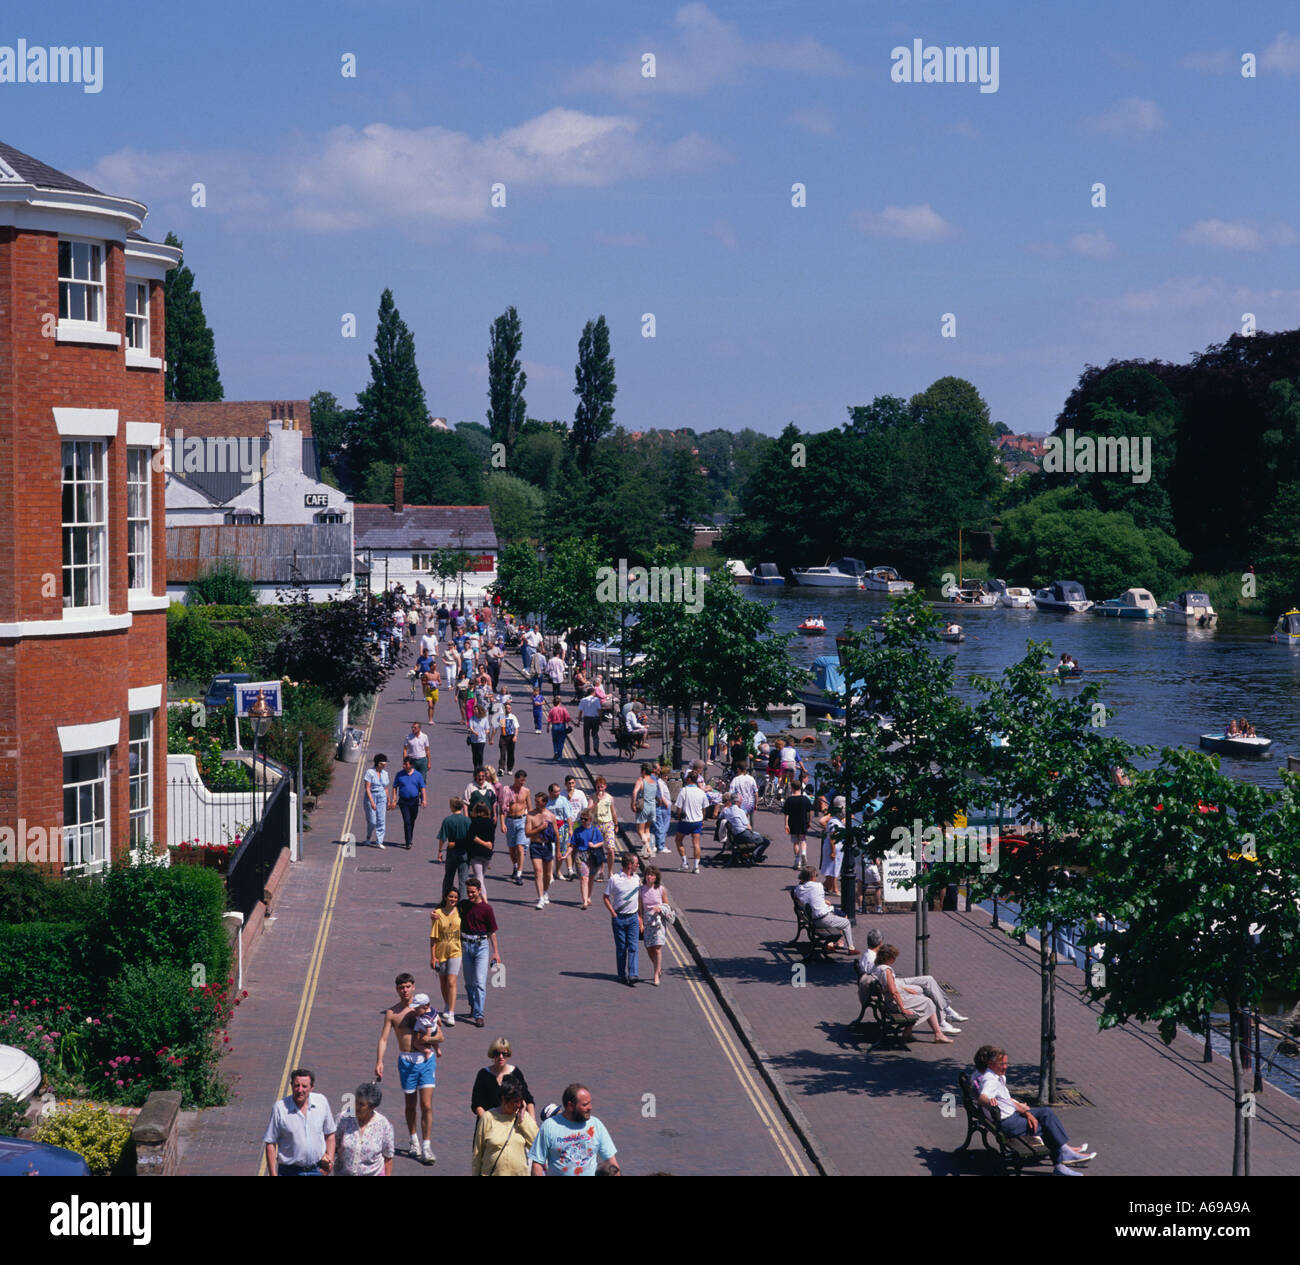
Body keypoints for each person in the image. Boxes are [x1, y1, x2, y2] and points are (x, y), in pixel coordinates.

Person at [972, 1045, 1096, 1175]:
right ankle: (1060, 1164)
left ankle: (1064, 1151)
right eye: (1002, 1064)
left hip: (1011, 1116)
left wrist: (1026, 1112)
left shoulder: (994, 1076)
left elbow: (1005, 1101)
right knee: (1048, 1128)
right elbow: (982, 1098)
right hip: (1008, 1123)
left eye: (1006, 1063)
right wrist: (990, 1104)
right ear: (991, 1064)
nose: (1006, 1066)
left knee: (1046, 1113)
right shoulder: (990, 1079)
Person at [374, 973, 438, 1162]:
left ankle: (427, 1146)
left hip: (426, 1060)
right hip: (406, 1060)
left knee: (426, 1105)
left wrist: (431, 1040)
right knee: (410, 1104)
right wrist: (379, 1061)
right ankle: (413, 1140)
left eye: (408, 986)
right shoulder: (392, 1013)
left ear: (413, 987)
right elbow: (384, 1039)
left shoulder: (424, 1009)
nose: (405, 991)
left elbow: (440, 1035)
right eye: (402, 987)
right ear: (397, 989)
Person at [857, 930, 967, 1032]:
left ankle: (946, 1009)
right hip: (895, 985)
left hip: (895, 982)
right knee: (922, 990)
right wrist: (905, 988)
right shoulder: (872, 959)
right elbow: (885, 982)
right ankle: (941, 1020)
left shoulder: (868, 955)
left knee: (928, 979)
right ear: (880, 942)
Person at [868, 944, 951, 1044]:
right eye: (894, 957)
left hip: (885, 1001)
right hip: (891, 1003)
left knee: (921, 998)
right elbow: (894, 992)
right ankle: (938, 1034)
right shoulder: (886, 970)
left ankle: (908, 1033)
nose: (895, 959)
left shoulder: (877, 968)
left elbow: (890, 987)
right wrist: (903, 1009)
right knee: (928, 1002)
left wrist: (905, 990)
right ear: (889, 958)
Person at [528, 1084, 617, 1177]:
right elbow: (537, 1164)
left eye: (590, 1103)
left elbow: (611, 1162)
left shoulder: (596, 1125)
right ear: (570, 1106)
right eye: (585, 1105)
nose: (590, 1107)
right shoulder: (549, 1127)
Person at [264, 1068, 336, 1176]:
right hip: (289, 1171)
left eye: (304, 1086)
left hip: (316, 1170)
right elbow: (270, 1142)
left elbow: (330, 1134)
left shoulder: (321, 1102)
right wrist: (273, 1174)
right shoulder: (280, 1108)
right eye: (296, 1085)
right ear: (291, 1085)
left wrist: (329, 1162)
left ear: (312, 1087)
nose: (300, 1090)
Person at [472, 1073, 538, 1177]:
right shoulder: (488, 1118)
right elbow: (477, 1154)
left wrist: (522, 1120)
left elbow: (537, 1145)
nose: (518, 1105)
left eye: (520, 1101)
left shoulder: (524, 1118)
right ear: (503, 1099)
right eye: (515, 1101)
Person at [461, 878, 502, 1029]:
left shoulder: (486, 909)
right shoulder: (464, 905)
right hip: (465, 945)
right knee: (468, 982)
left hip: (481, 947)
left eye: (473, 892)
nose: (470, 895)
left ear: (479, 891)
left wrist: (496, 952)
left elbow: (492, 931)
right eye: (468, 892)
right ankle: (473, 1004)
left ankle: (479, 1014)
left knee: (479, 981)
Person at [334, 1081, 394, 1176]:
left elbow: (388, 1157)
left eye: (361, 1104)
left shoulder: (383, 1124)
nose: (356, 1106)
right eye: (356, 1101)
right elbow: (332, 1146)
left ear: (372, 1107)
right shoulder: (343, 1118)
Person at [793, 866, 856, 955]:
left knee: (838, 914)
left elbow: (810, 897)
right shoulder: (818, 886)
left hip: (811, 917)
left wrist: (823, 901)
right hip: (822, 919)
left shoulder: (798, 889)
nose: (816, 877)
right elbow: (817, 897)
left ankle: (832, 943)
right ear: (812, 877)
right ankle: (851, 948)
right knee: (846, 922)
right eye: (815, 875)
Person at [471, 1038, 537, 1120]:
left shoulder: (515, 1073)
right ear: (492, 1054)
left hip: (511, 1122)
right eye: (497, 1053)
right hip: (489, 1120)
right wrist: (487, 1122)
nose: (501, 1057)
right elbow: (477, 1104)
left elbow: (528, 1099)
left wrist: (532, 1120)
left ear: (508, 1054)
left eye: (504, 1054)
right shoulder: (483, 1074)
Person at [604, 851, 643, 986]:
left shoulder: (637, 879)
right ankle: (621, 974)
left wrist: (640, 917)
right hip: (619, 919)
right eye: (636, 863)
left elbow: (639, 898)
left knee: (633, 946)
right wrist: (613, 914)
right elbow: (605, 897)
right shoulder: (614, 879)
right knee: (621, 948)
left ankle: (633, 974)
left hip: (633, 918)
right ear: (630, 864)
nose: (638, 865)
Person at [430, 888, 463, 1025]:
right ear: (445, 897)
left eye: (455, 897)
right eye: (451, 897)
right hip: (441, 952)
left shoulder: (461, 911)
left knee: (451, 982)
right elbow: (433, 937)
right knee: (443, 983)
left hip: (456, 951)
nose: (453, 899)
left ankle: (451, 1013)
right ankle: (447, 1003)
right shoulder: (437, 914)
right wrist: (432, 956)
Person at [640, 865, 672, 986]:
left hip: (658, 921)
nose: (649, 877)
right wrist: (641, 922)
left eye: (652, 875)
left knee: (657, 948)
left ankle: (655, 975)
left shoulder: (661, 889)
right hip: (647, 920)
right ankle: (657, 968)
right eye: (648, 874)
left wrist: (660, 908)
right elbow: (639, 908)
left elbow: (667, 905)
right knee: (649, 948)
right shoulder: (641, 890)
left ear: (656, 877)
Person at [525, 790, 557, 910]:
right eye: (535, 801)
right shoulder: (530, 815)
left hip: (547, 846)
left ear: (544, 803)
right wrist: (540, 827)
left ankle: (545, 891)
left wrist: (558, 851)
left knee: (548, 875)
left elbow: (556, 834)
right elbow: (527, 833)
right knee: (538, 872)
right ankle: (540, 898)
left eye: (538, 802)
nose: (535, 804)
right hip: (535, 846)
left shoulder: (551, 816)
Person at [499, 768, 530, 887]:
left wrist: (531, 822)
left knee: (520, 847)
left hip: (522, 820)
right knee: (512, 849)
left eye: (524, 781)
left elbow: (530, 807)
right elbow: (502, 809)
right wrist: (502, 823)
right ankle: (515, 866)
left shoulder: (526, 791)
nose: (522, 783)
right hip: (510, 820)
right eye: (521, 780)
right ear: (515, 779)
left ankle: (519, 874)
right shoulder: (507, 790)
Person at [674, 770, 709, 873]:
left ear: (689, 779)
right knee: (696, 844)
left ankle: (685, 863)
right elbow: (704, 808)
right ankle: (696, 867)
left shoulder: (684, 791)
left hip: (685, 821)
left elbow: (679, 808)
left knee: (678, 840)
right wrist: (702, 819)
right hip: (697, 821)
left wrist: (679, 816)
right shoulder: (701, 792)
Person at [436, 797, 471, 900]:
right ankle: (463, 901)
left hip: (452, 852)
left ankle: (446, 899)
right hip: (464, 851)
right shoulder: (467, 821)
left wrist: (440, 851)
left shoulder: (448, 820)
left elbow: (442, 838)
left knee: (449, 877)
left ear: (452, 807)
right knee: (463, 879)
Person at [389, 756, 426, 851]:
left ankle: (410, 836)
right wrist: (394, 799)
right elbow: (394, 787)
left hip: (414, 801)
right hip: (403, 801)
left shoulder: (418, 775)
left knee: (412, 820)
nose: (403, 765)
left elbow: (422, 788)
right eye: (404, 763)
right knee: (407, 821)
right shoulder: (399, 775)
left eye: (406, 764)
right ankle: (408, 841)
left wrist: (424, 799)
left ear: (411, 765)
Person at [571, 809, 603, 910]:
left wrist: (594, 845)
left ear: (590, 819)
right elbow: (572, 845)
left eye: (585, 819)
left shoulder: (595, 830)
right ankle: (584, 901)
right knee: (584, 878)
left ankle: (588, 897)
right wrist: (565, 855)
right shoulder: (577, 830)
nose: (583, 821)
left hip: (592, 856)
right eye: (581, 819)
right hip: (580, 855)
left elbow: (601, 842)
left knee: (591, 877)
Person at [591, 775, 619, 878]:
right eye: (598, 787)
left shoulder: (609, 798)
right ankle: (601, 871)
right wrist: (595, 802)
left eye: (601, 787)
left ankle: (610, 871)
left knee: (611, 849)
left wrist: (616, 824)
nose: (600, 789)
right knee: (599, 850)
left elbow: (613, 811)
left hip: (608, 824)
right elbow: (588, 811)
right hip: (596, 825)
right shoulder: (592, 797)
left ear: (605, 786)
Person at [783, 778, 813, 870]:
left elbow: (786, 814)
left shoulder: (789, 800)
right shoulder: (805, 799)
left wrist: (786, 824)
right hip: (803, 822)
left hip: (793, 823)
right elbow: (810, 812)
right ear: (801, 788)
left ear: (792, 788)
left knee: (795, 842)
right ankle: (804, 853)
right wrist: (809, 821)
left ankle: (797, 861)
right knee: (803, 840)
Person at [550, 780, 577, 881]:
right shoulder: (547, 801)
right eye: (556, 792)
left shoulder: (563, 800)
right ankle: (550, 874)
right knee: (551, 851)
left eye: (559, 791)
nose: (558, 793)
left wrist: (570, 829)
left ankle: (557, 870)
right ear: (550, 792)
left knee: (562, 850)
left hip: (562, 828)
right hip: (550, 829)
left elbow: (568, 816)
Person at [465, 801, 496, 889]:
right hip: (487, 854)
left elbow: (471, 836)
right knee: (482, 876)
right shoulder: (490, 822)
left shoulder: (473, 822)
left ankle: (484, 900)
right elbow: (492, 838)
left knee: (479, 879)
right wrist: (488, 845)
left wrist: (483, 843)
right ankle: (479, 899)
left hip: (476, 853)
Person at [631, 763, 659, 856]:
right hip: (652, 807)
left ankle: (648, 849)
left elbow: (635, 792)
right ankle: (648, 849)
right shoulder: (654, 781)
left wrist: (633, 803)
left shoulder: (641, 780)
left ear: (643, 771)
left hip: (643, 807)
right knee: (647, 830)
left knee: (640, 831)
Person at [820, 797, 846, 896]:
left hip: (838, 848)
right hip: (834, 848)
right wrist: (833, 851)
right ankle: (830, 888)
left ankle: (829, 887)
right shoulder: (833, 822)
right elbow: (832, 837)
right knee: (832, 868)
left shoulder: (838, 821)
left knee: (834, 868)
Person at [363, 754, 389, 850]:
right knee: (372, 821)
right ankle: (368, 837)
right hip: (371, 796)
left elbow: (385, 788)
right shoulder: (369, 773)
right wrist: (372, 802)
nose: (384, 765)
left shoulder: (385, 773)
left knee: (381, 820)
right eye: (383, 763)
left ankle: (379, 841)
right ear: (378, 763)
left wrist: (388, 800)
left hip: (382, 796)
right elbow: (367, 788)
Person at [653, 762, 673, 853]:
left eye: (667, 775)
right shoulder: (660, 782)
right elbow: (660, 795)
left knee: (661, 826)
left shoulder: (661, 782)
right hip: (664, 807)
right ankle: (661, 845)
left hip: (665, 806)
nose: (666, 777)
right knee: (663, 827)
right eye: (664, 775)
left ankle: (658, 844)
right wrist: (666, 804)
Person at [578, 687, 603, 758]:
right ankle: (596, 748)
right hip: (595, 718)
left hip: (587, 719)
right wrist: (600, 721)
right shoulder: (596, 699)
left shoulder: (583, 700)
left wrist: (579, 721)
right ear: (593, 692)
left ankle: (587, 752)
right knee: (595, 734)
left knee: (586, 736)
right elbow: (599, 710)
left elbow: (580, 711)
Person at [498, 699, 519, 773]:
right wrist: (491, 737)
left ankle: (509, 768)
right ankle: (501, 768)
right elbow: (495, 727)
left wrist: (515, 736)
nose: (508, 709)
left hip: (511, 737)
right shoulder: (501, 717)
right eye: (507, 708)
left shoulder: (513, 717)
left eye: (509, 708)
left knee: (511, 754)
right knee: (502, 753)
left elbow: (516, 728)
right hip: (503, 737)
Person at [467, 707, 489, 773]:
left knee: (480, 753)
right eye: (474, 709)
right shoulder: (472, 718)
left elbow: (487, 728)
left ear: (479, 710)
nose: (474, 711)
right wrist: (474, 732)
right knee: (474, 754)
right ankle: (475, 766)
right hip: (474, 739)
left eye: (476, 709)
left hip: (482, 739)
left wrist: (486, 732)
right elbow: (470, 728)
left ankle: (480, 766)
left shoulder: (484, 719)